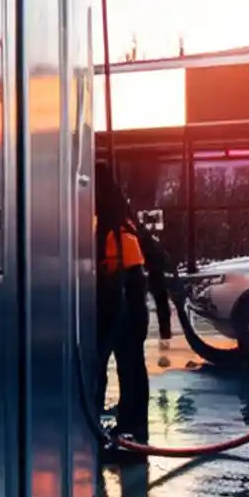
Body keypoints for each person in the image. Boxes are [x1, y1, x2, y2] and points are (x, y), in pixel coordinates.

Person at [95, 162, 151, 457]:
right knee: (132, 368)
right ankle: (134, 428)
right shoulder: (126, 224)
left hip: (115, 301)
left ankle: (100, 430)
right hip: (132, 301)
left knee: (99, 367)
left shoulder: (106, 227)